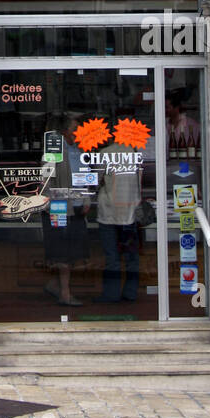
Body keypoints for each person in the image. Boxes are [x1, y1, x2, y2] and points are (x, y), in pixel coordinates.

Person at [40, 112, 91, 306]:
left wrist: (85, 200)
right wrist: (54, 207)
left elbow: (83, 178)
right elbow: (46, 182)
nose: (78, 133)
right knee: (63, 253)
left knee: (74, 253)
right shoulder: (52, 152)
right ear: (63, 132)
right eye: (74, 130)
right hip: (60, 208)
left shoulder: (77, 151)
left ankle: (55, 285)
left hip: (76, 209)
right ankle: (64, 293)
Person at [95, 116, 143, 303]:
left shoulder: (105, 153)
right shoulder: (134, 153)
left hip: (108, 212)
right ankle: (130, 292)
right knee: (131, 256)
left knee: (112, 257)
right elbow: (138, 184)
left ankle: (111, 294)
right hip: (129, 213)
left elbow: (96, 181)